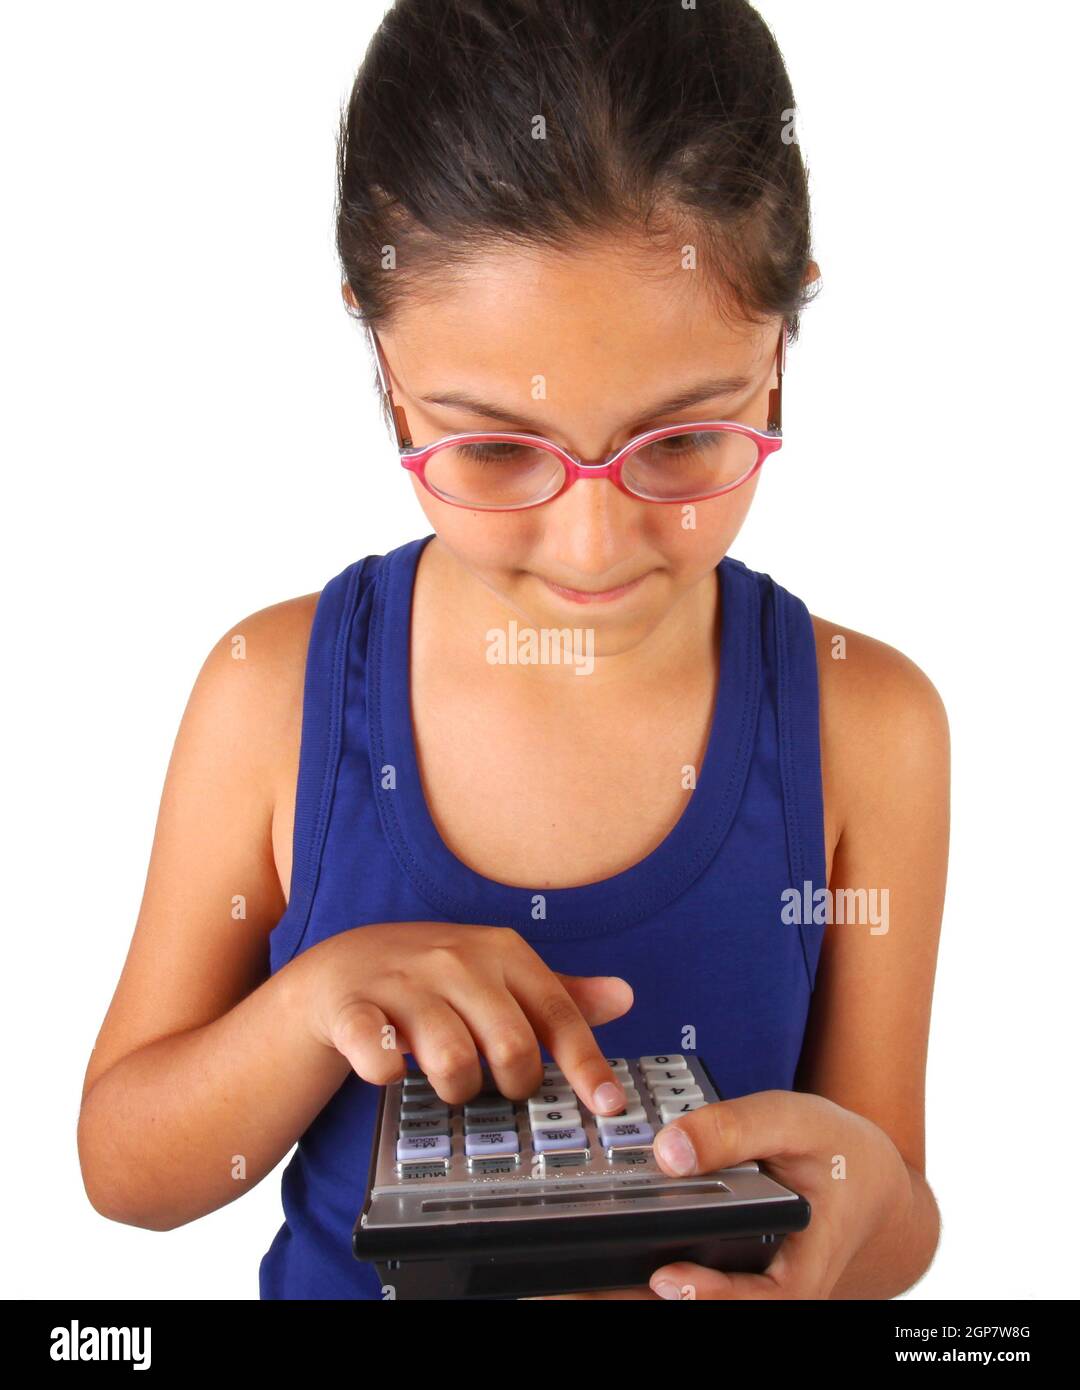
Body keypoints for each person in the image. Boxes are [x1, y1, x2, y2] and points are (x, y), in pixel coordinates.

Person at [77, 0, 949, 1300]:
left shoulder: (867, 725)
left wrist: (855, 1229)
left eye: (683, 443)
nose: (591, 548)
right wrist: (312, 1005)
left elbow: (889, 1198)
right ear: (381, 357)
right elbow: (126, 1169)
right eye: (492, 449)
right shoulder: (269, 698)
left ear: (784, 343)